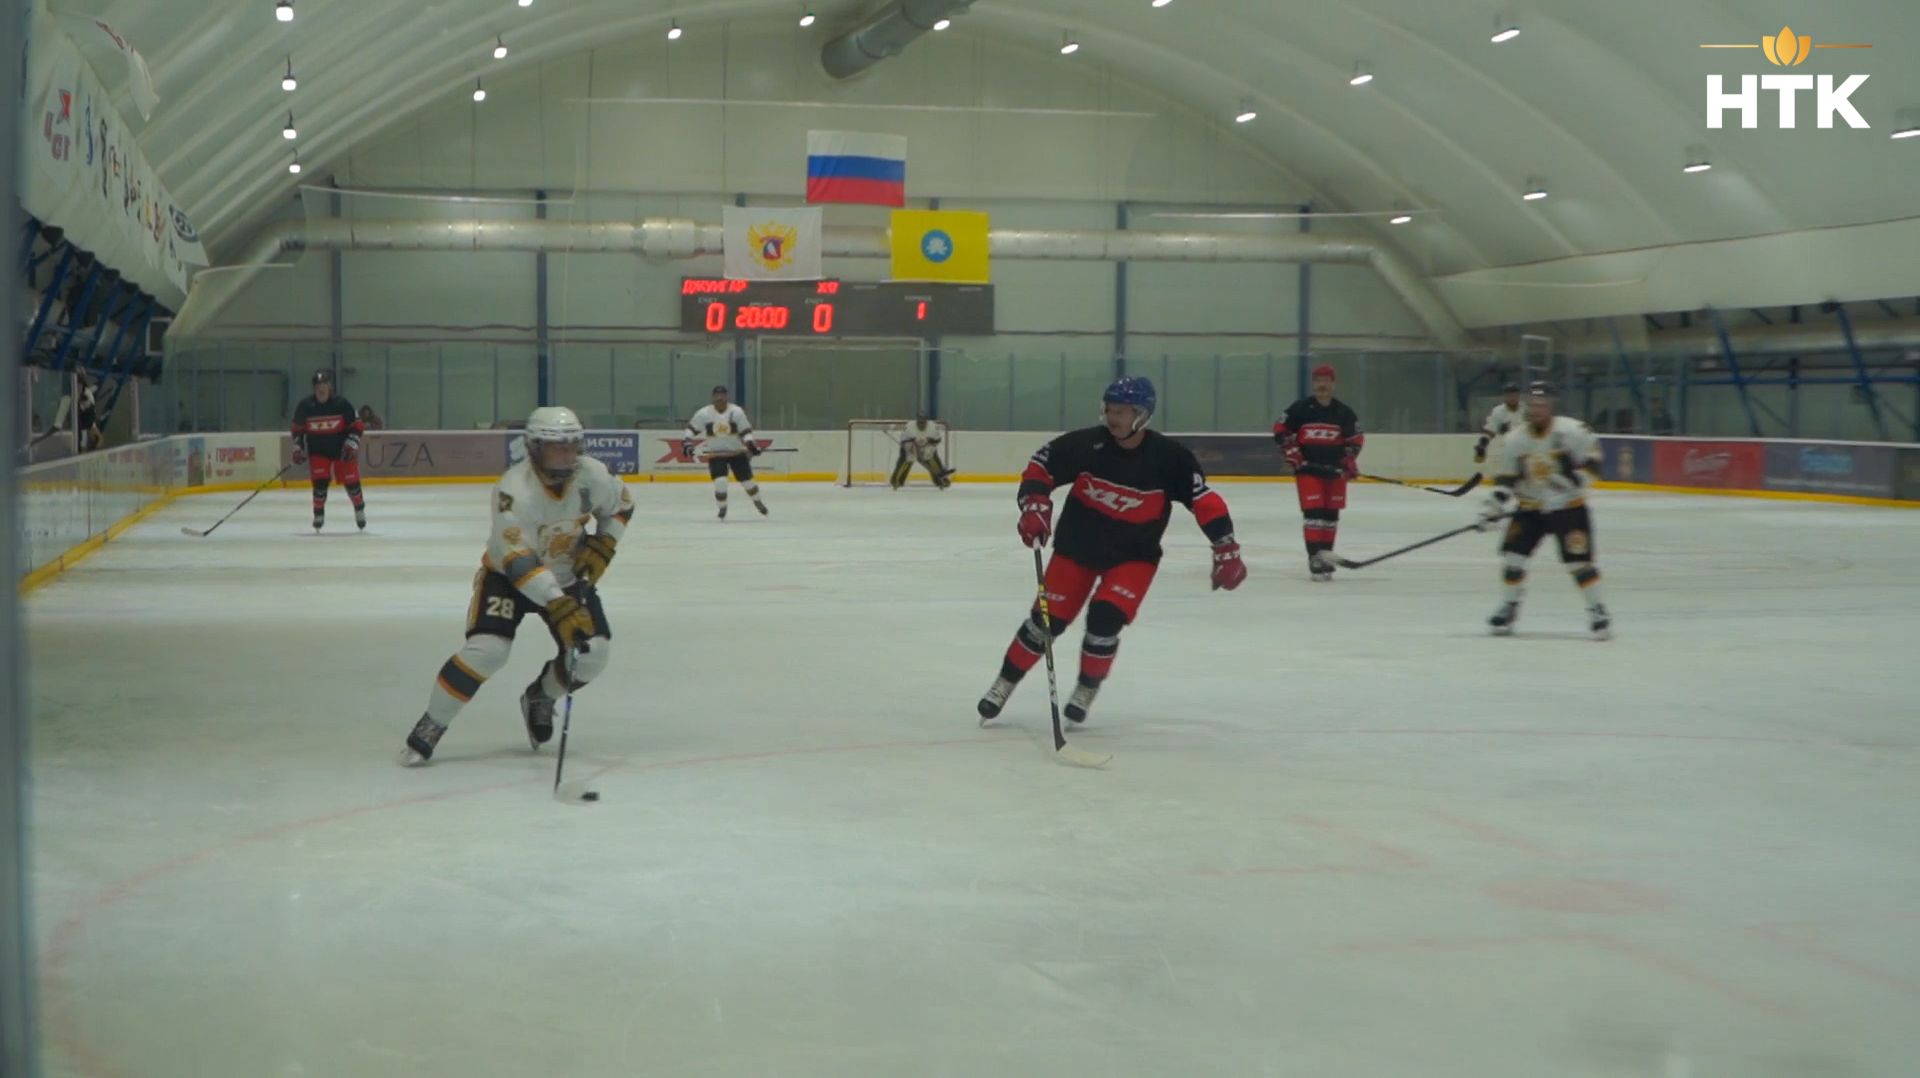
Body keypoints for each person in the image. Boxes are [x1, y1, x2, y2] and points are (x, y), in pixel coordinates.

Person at [976, 376, 1245, 728]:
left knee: (1105, 620)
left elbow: (1204, 501)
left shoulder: (1170, 458)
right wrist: (1034, 503)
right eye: (1110, 409)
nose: (1113, 417)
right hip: (1077, 549)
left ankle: (1086, 688)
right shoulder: (1088, 444)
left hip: (1133, 557)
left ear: (1142, 415)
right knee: (1045, 623)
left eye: (1122, 411)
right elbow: (1041, 466)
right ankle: (1004, 683)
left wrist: (1225, 545)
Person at [399, 406, 634, 766]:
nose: (567, 454)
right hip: (507, 580)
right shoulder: (513, 490)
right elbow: (517, 560)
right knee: (488, 651)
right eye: (557, 446)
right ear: (535, 447)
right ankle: (434, 722)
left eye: (572, 445)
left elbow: (623, 505)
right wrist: (557, 602)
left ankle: (541, 696)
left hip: (567, 576)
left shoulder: (593, 475)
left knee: (592, 654)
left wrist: (605, 543)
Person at [1478, 382, 1611, 640]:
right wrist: (1493, 507)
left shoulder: (1573, 432)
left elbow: (1594, 466)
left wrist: (1568, 489)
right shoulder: (1515, 439)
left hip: (1569, 509)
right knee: (1513, 558)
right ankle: (1509, 605)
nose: (1536, 409)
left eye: (1542, 404)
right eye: (1532, 405)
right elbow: (1507, 479)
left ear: (1551, 406)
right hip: (1530, 508)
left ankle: (1597, 610)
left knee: (1578, 563)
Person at [1272, 364, 1364, 581]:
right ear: (1313, 384)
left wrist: (1349, 459)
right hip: (1308, 471)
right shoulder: (1300, 409)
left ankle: (1326, 556)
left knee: (1331, 515)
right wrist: (1292, 452)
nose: (1322, 385)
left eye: (1326, 380)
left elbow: (1355, 439)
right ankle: (1315, 557)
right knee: (1314, 514)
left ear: (1333, 384)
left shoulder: (1344, 412)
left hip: (1335, 473)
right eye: (1318, 380)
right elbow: (1280, 430)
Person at [291, 370, 367, 531]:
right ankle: (318, 514)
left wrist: (352, 443)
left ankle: (359, 508)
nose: (322, 389)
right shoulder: (305, 406)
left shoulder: (342, 404)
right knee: (320, 484)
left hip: (342, 451)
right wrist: (298, 448)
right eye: (318, 386)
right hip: (318, 450)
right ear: (314, 388)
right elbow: (297, 430)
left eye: (324, 385)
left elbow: (357, 426)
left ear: (329, 386)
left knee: (352, 484)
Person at [683, 385, 767, 520]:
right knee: (720, 482)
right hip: (716, 454)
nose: (719, 398)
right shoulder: (704, 413)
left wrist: (751, 445)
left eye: (722, 395)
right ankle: (722, 507)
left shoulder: (736, 412)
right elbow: (691, 430)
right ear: (713, 397)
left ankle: (757, 501)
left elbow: (745, 432)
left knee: (748, 482)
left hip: (736, 453)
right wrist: (687, 442)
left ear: (726, 397)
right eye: (717, 395)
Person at [890, 413, 953, 490]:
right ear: (916, 421)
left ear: (927, 421)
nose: (921, 424)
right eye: (920, 422)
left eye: (923, 422)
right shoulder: (910, 427)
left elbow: (937, 440)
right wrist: (913, 449)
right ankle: (896, 480)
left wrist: (930, 441)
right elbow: (903, 441)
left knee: (932, 457)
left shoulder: (932, 427)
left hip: (926, 445)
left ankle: (940, 478)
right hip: (910, 446)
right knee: (907, 460)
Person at [1473, 382, 1524, 465]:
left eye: (1514, 394)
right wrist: (1482, 445)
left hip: (1524, 452)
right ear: (1505, 396)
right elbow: (1489, 430)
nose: (1512, 397)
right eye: (1509, 395)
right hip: (1505, 452)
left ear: (1518, 395)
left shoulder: (1526, 411)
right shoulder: (1498, 411)